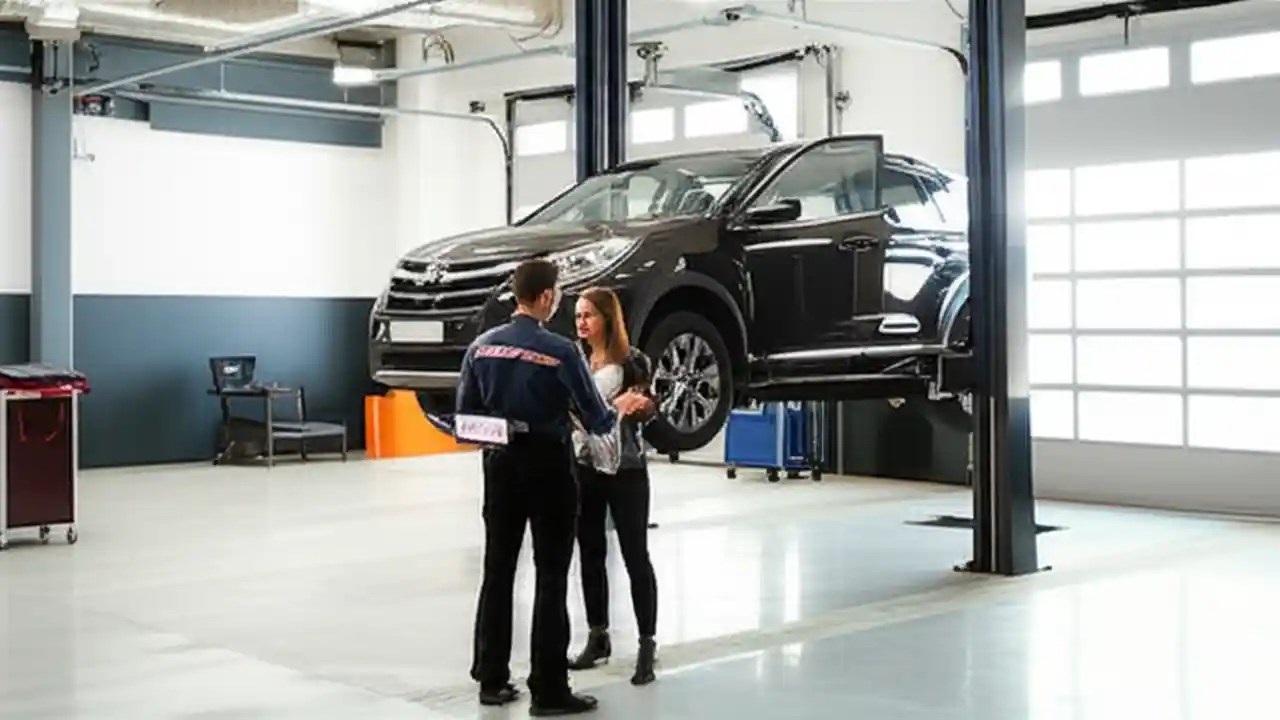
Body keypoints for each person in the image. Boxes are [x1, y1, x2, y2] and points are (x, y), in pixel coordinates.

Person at [456, 258, 650, 716]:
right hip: (549, 468)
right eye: (559, 293)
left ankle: (491, 677)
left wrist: (504, 431)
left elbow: (465, 422)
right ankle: (548, 689)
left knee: (498, 569)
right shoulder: (560, 351)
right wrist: (621, 405)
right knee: (550, 574)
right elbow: (598, 419)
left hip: (499, 468)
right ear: (545, 297)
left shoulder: (481, 349)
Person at [566, 287, 661, 686]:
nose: (582, 323)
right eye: (577, 316)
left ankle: (646, 644)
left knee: (635, 554)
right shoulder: (575, 359)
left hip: (627, 469)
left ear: (607, 317)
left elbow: (651, 407)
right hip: (584, 467)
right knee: (589, 551)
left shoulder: (632, 361)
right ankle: (597, 635)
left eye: (589, 315)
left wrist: (641, 407)